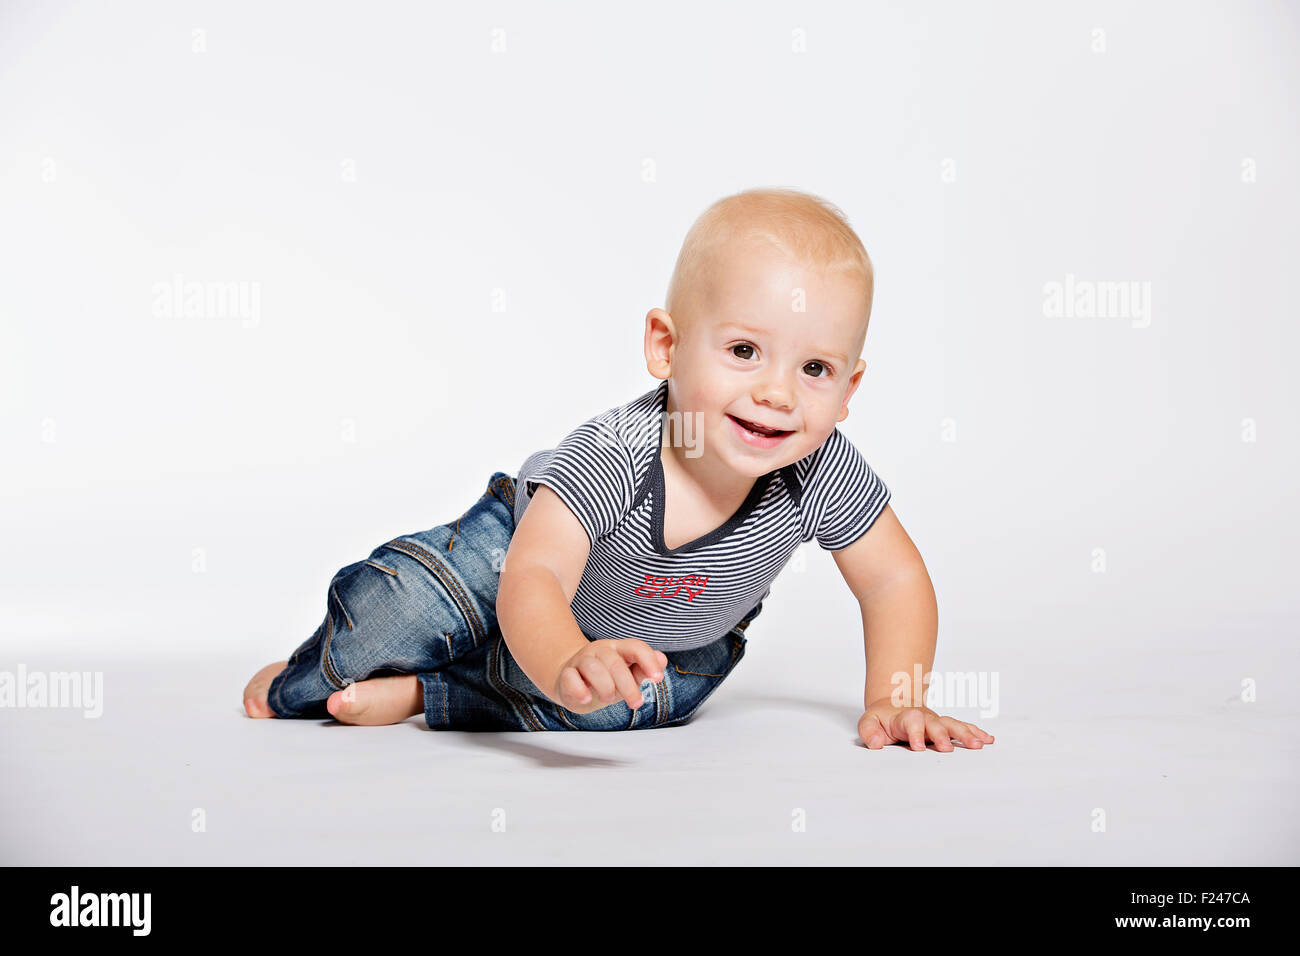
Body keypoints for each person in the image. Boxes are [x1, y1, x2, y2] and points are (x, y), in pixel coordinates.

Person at [242, 186, 995, 751]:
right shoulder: (622, 453)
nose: (776, 392)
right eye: (743, 351)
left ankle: (428, 694)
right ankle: (308, 675)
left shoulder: (820, 469)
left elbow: (893, 579)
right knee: (400, 611)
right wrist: (566, 651)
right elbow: (534, 581)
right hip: (511, 555)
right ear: (666, 347)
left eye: (816, 368)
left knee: (622, 705)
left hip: (663, 636)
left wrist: (899, 696)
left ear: (850, 389)